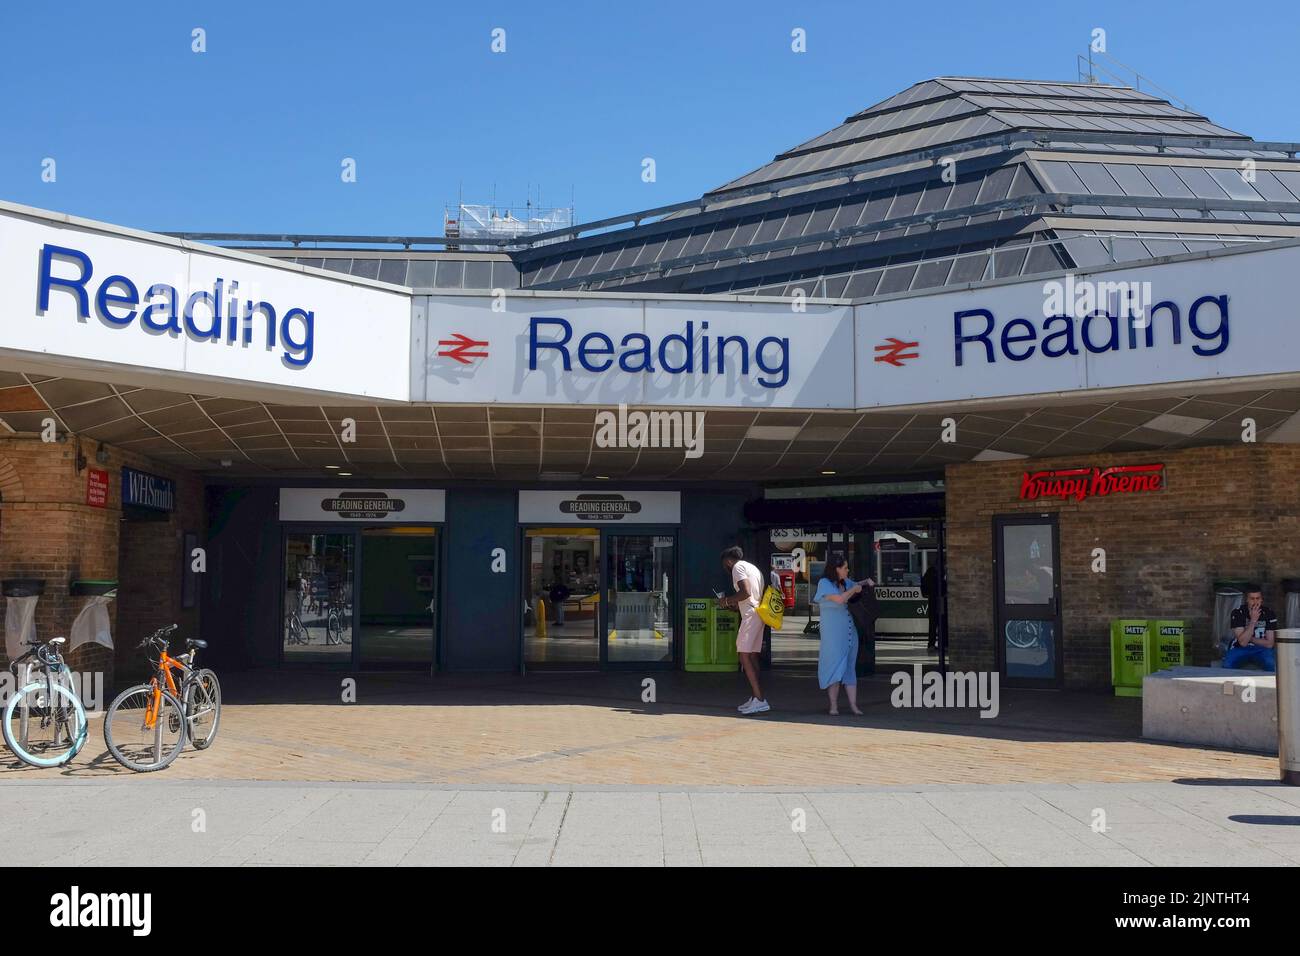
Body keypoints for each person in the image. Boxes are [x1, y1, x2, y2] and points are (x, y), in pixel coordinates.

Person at [815, 553, 873, 715]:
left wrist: (865, 583)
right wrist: (854, 589)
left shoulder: (845, 582)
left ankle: (853, 705)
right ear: (837, 569)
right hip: (833, 634)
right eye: (845, 568)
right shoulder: (824, 584)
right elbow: (840, 599)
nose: (847, 570)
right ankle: (833, 705)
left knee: (849, 667)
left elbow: (855, 585)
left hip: (848, 631)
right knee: (834, 666)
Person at [720, 546, 769, 715]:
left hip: (750, 616)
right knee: (752, 655)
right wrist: (734, 605)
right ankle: (757, 697)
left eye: (724, 564)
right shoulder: (753, 568)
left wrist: (725, 601)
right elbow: (751, 595)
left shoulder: (737, 567)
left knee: (743, 655)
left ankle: (760, 699)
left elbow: (746, 592)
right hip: (758, 614)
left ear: (728, 561)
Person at [1224, 584, 1277, 671]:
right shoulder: (1238, 613)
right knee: (1228, 664)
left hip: (1262, 649)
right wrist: (1253, 621)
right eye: (1252, 599)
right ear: (1247, 600)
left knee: (1271, 663)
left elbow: (1269, 644)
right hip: (1239, 648)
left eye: (1258, 598)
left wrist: (1250, 638)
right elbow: (1243, 643)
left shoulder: (1269, 613)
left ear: (1261, 599)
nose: (1255, 602)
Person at [921, 564, 939, 654]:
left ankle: (931, 644)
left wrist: (926, 594)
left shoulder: (929, 572)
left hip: (932, 600)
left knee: (932, 624)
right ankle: (943, 644)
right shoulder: (940, 573)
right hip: (939, 600)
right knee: (941, 624)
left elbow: (923, 585)